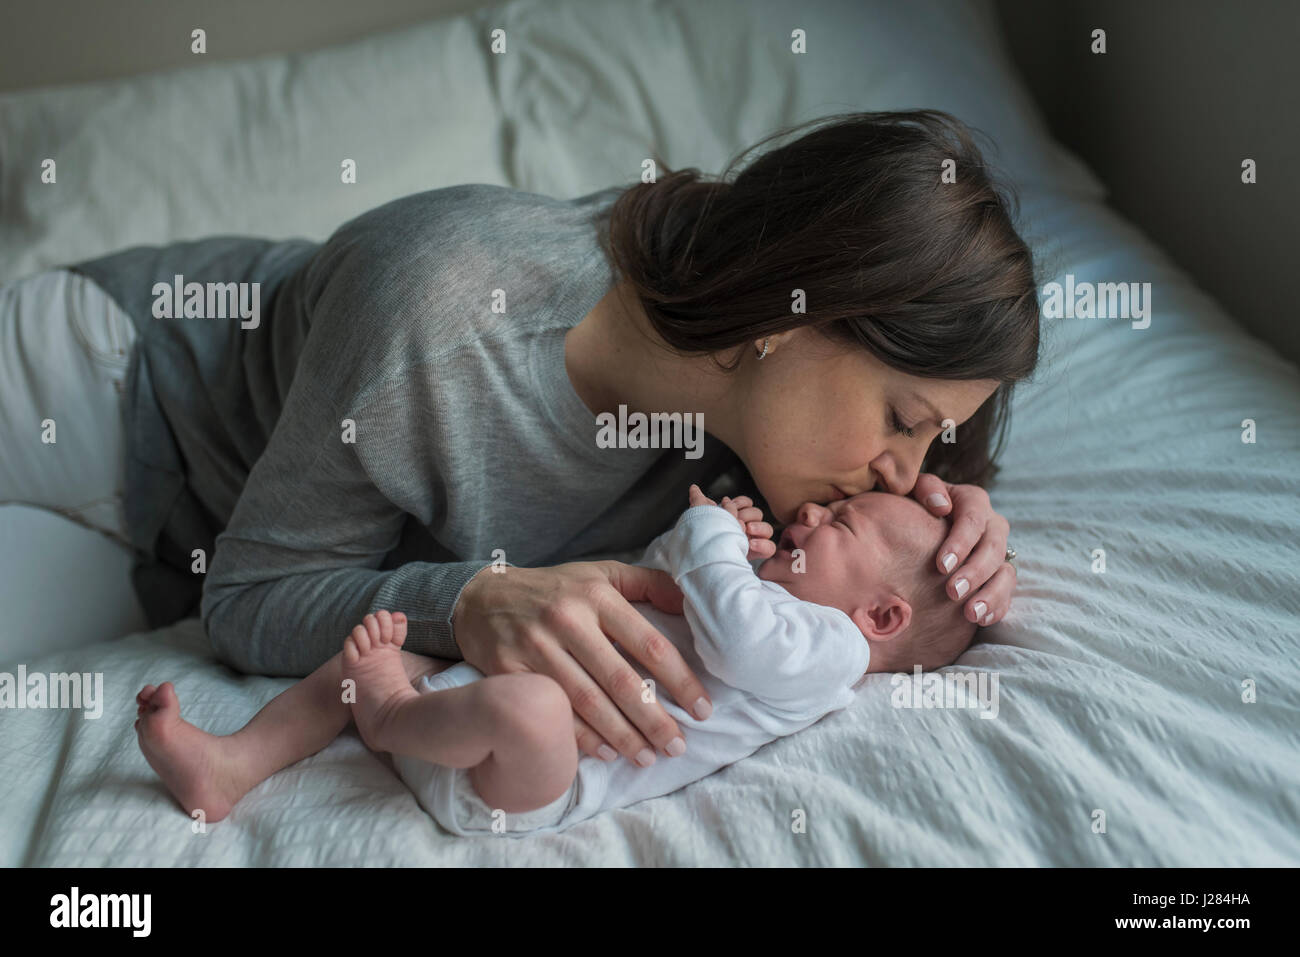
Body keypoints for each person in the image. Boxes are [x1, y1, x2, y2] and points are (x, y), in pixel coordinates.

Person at [0, 109, 1031, 769]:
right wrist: (466, 600)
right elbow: (250, 601)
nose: (905, 469)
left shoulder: (768, 430)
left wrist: (951, 527)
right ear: (790, 317)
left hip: (197, 539)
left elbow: (907, 520)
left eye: (932, 445)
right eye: (904, 423)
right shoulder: (447, 313)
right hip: (109, 391)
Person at [133, 483, 981, 833]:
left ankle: (389, 717)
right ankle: (232, 762)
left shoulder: (828, 651)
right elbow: (638, 589)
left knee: (524, 706)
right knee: (369, 649)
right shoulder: (771, 596)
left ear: (881, 614)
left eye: (839, 527)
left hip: (525, 780)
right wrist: (699, 549)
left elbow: (738, 637)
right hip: (470, 706)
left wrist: (715, 541)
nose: (810, 514)